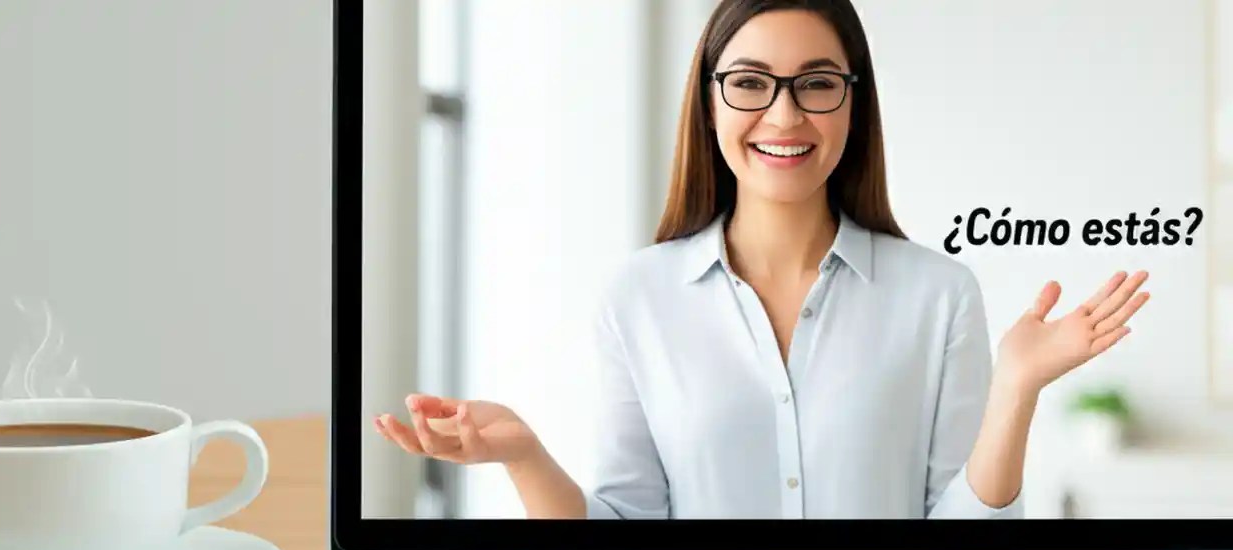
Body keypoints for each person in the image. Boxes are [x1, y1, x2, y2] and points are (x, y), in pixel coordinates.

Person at [373, 0, 1149, 520]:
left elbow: (960, 545)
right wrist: (524, 456)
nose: (784, 114)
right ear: (710, 102)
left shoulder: (939, 294)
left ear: (853, 101)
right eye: (749, 83)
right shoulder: (639, 295)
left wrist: (1014, 390)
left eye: (816, 84)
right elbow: (620, 548)